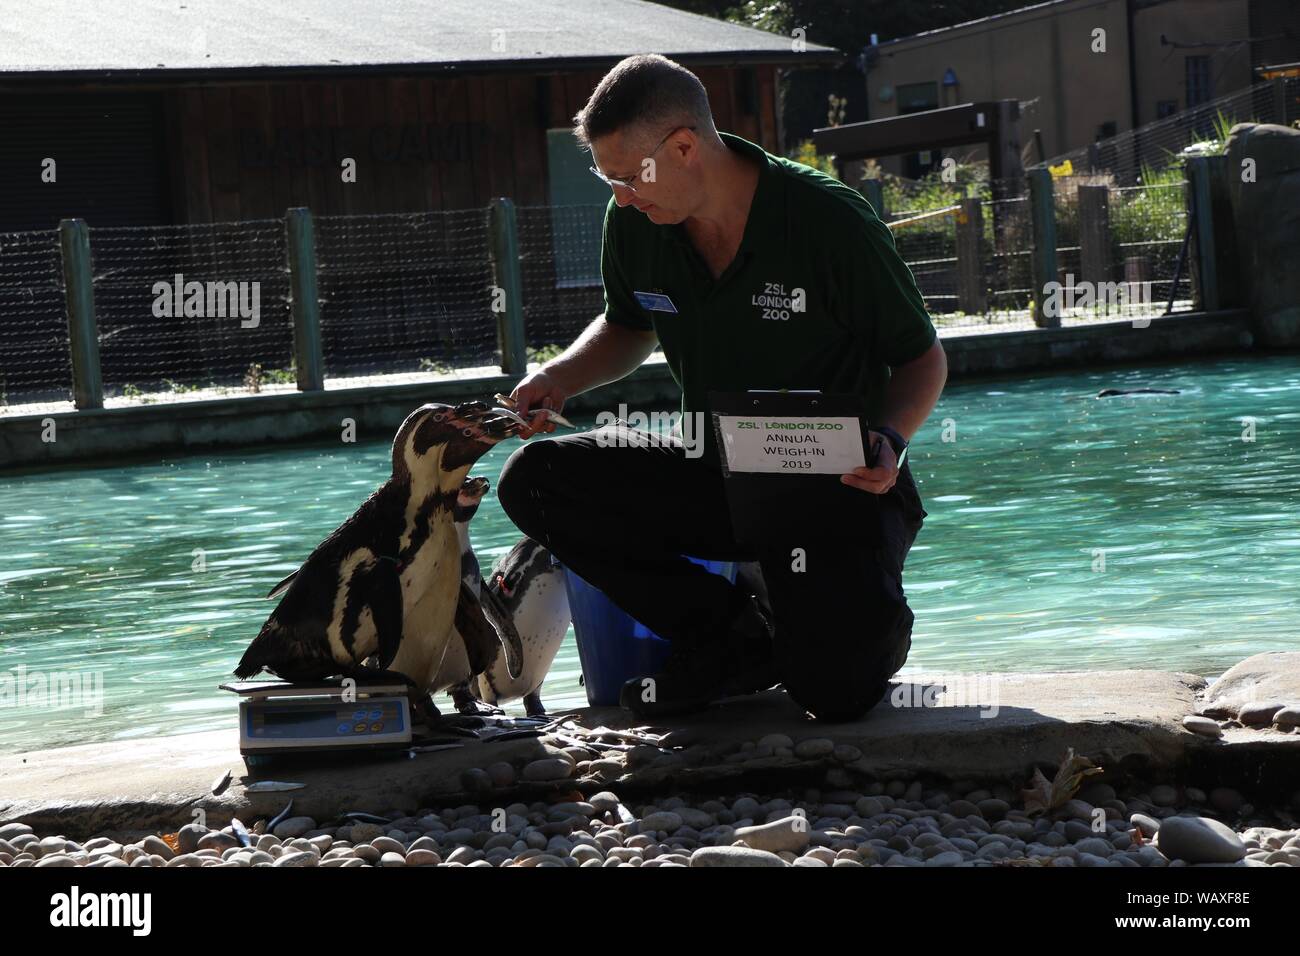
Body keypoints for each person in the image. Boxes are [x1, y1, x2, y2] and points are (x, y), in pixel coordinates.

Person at [496, 54, 947, 722]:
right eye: (607, 178)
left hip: (835, 485)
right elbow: (628, 326)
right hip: (712, 473)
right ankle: (730, 633)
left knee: (835, 692)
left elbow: (922, 359)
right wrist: (556, 379)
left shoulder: (830, 221)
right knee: (533, 479)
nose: (619, 195)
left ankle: (847, 616)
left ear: (684, 147)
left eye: (627, 177)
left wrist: (889, 438)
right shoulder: (636, 223)